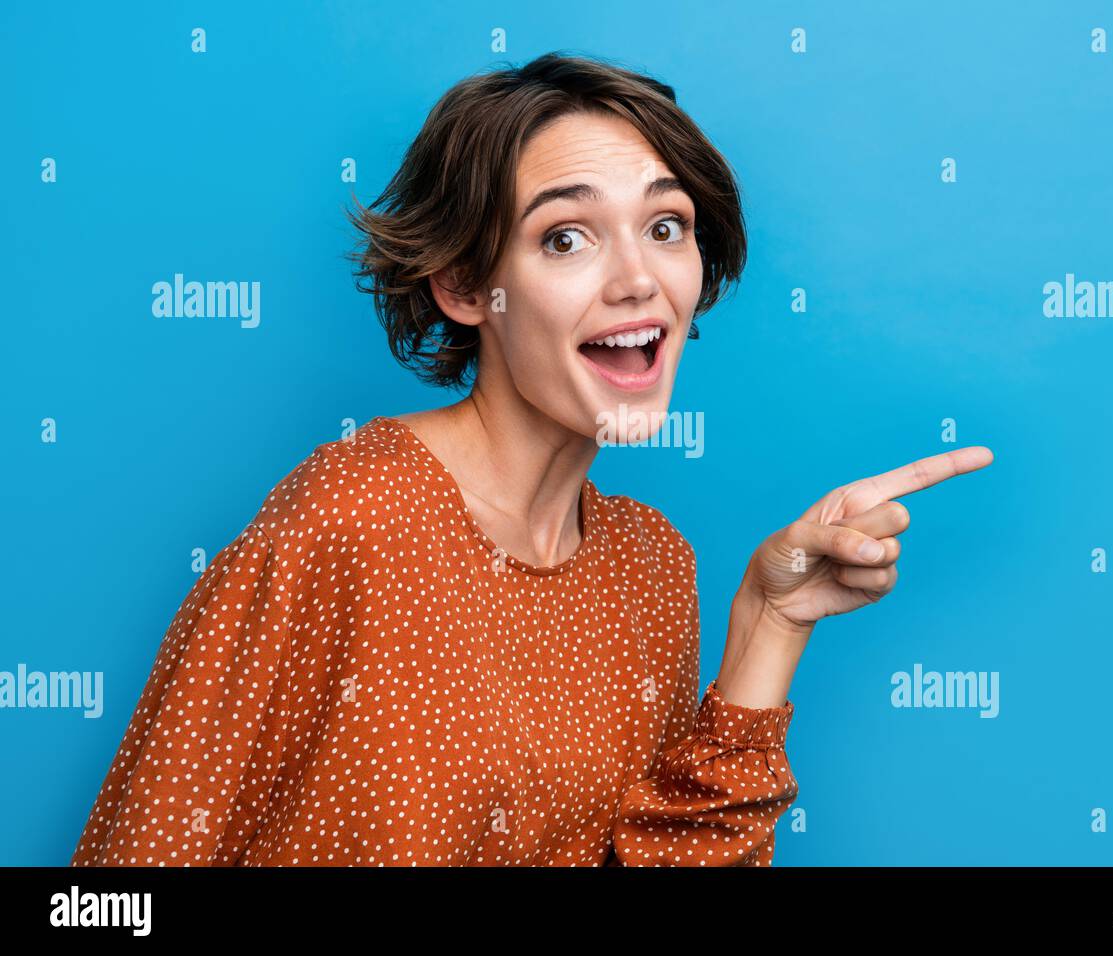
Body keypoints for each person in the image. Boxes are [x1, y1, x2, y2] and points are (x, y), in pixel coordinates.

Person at [70, 51, 992, 867]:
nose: (638, 278)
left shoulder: (652, 564)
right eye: (566, 236)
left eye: (666, 226)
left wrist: (770, 625)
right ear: (468, 285)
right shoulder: (351, 515)